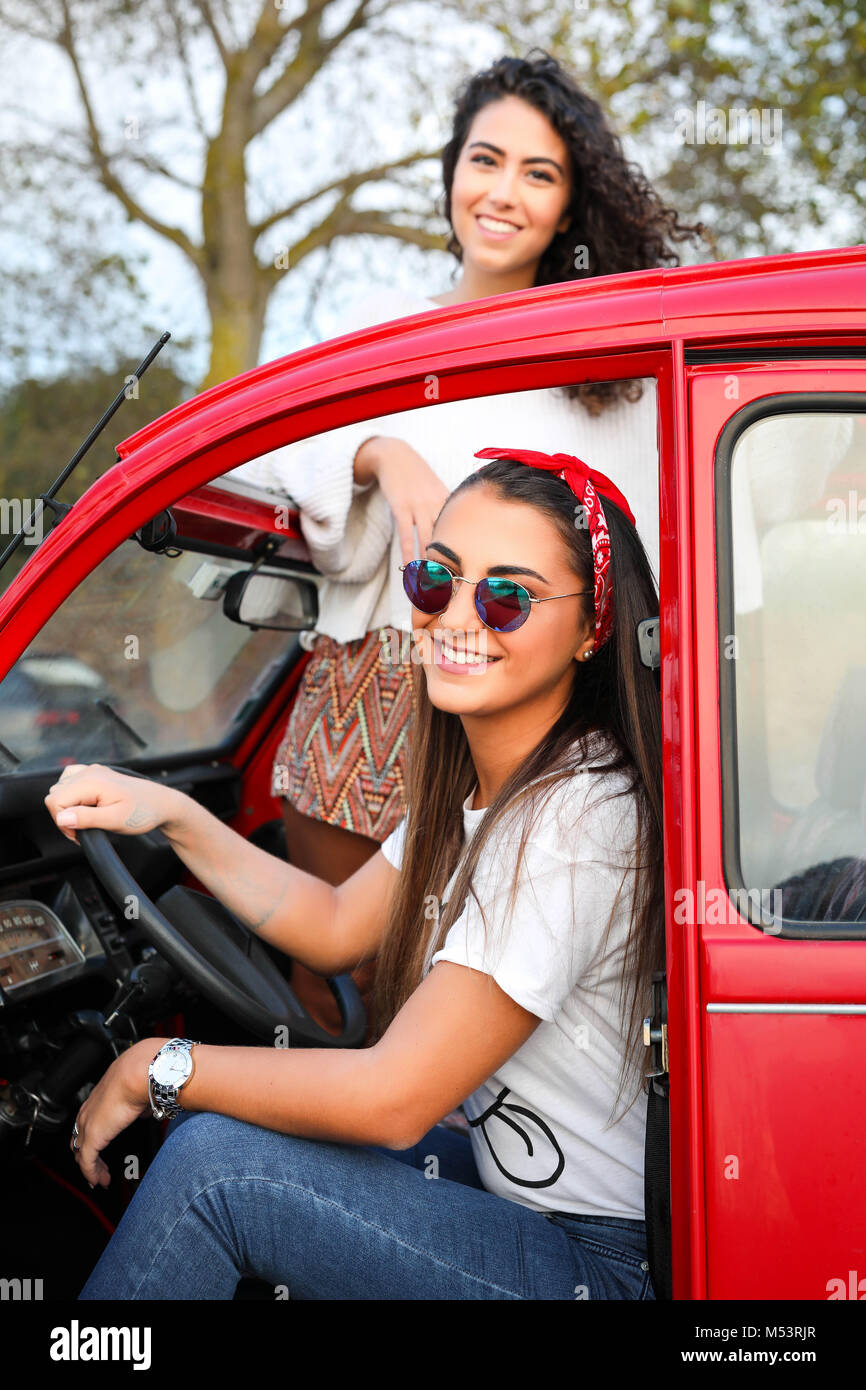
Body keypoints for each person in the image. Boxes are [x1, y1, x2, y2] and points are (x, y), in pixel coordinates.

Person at [46, 445, 663, 1300]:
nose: (456, 618)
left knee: (212, 1170)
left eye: (507, 597)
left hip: (602, 1261)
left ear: (593, 628)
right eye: (436, 580)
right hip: (518, 1197)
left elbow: (393, 1096)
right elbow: (336, 925)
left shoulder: (573, 816)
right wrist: (174, 814)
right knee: (226, 1129)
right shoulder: (489, 784)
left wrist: (159, 1064)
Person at [222, 48, 703, 1034]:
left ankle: (435, 1175)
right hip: (365, 706)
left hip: (524, 712)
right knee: (340, 993)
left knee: (461, 1010)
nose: (502, 193)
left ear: (569, 208)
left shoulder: (603, 358)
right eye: (484, 160)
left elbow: (652, 552)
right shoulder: (380, 335)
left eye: (539, 173)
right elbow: (237, 464)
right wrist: (376, 453)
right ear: (450, 172)